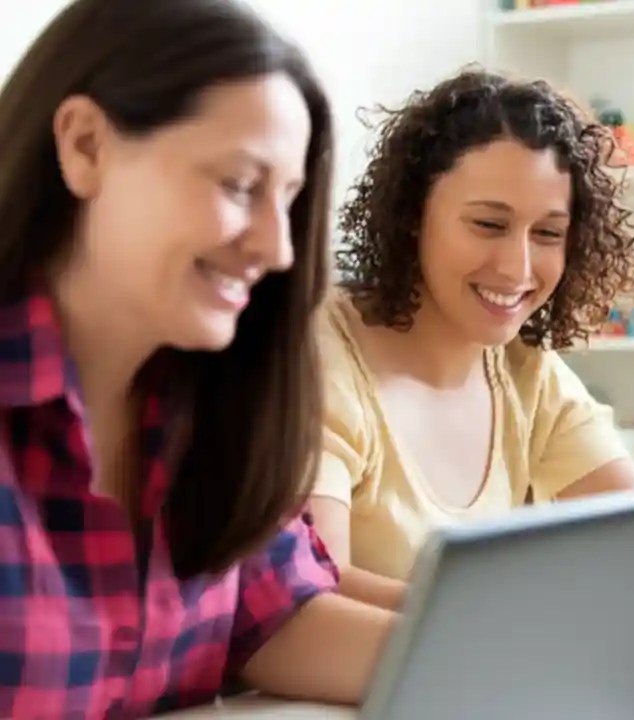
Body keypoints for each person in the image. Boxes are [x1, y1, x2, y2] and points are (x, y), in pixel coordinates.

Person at [308, 68, 634, 630]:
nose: (518, 268)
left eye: (548, 234)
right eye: (488, 224)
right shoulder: (323, 353)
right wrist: (515, 622)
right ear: (413, 216)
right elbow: (319, 582)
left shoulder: (525, 371)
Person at [0, 1, 395, 716]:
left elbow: (283, 617)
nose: (277, 250)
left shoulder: (207, 406)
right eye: (241, 186)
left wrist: (531, 659)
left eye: (290, 200)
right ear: (86, 146)